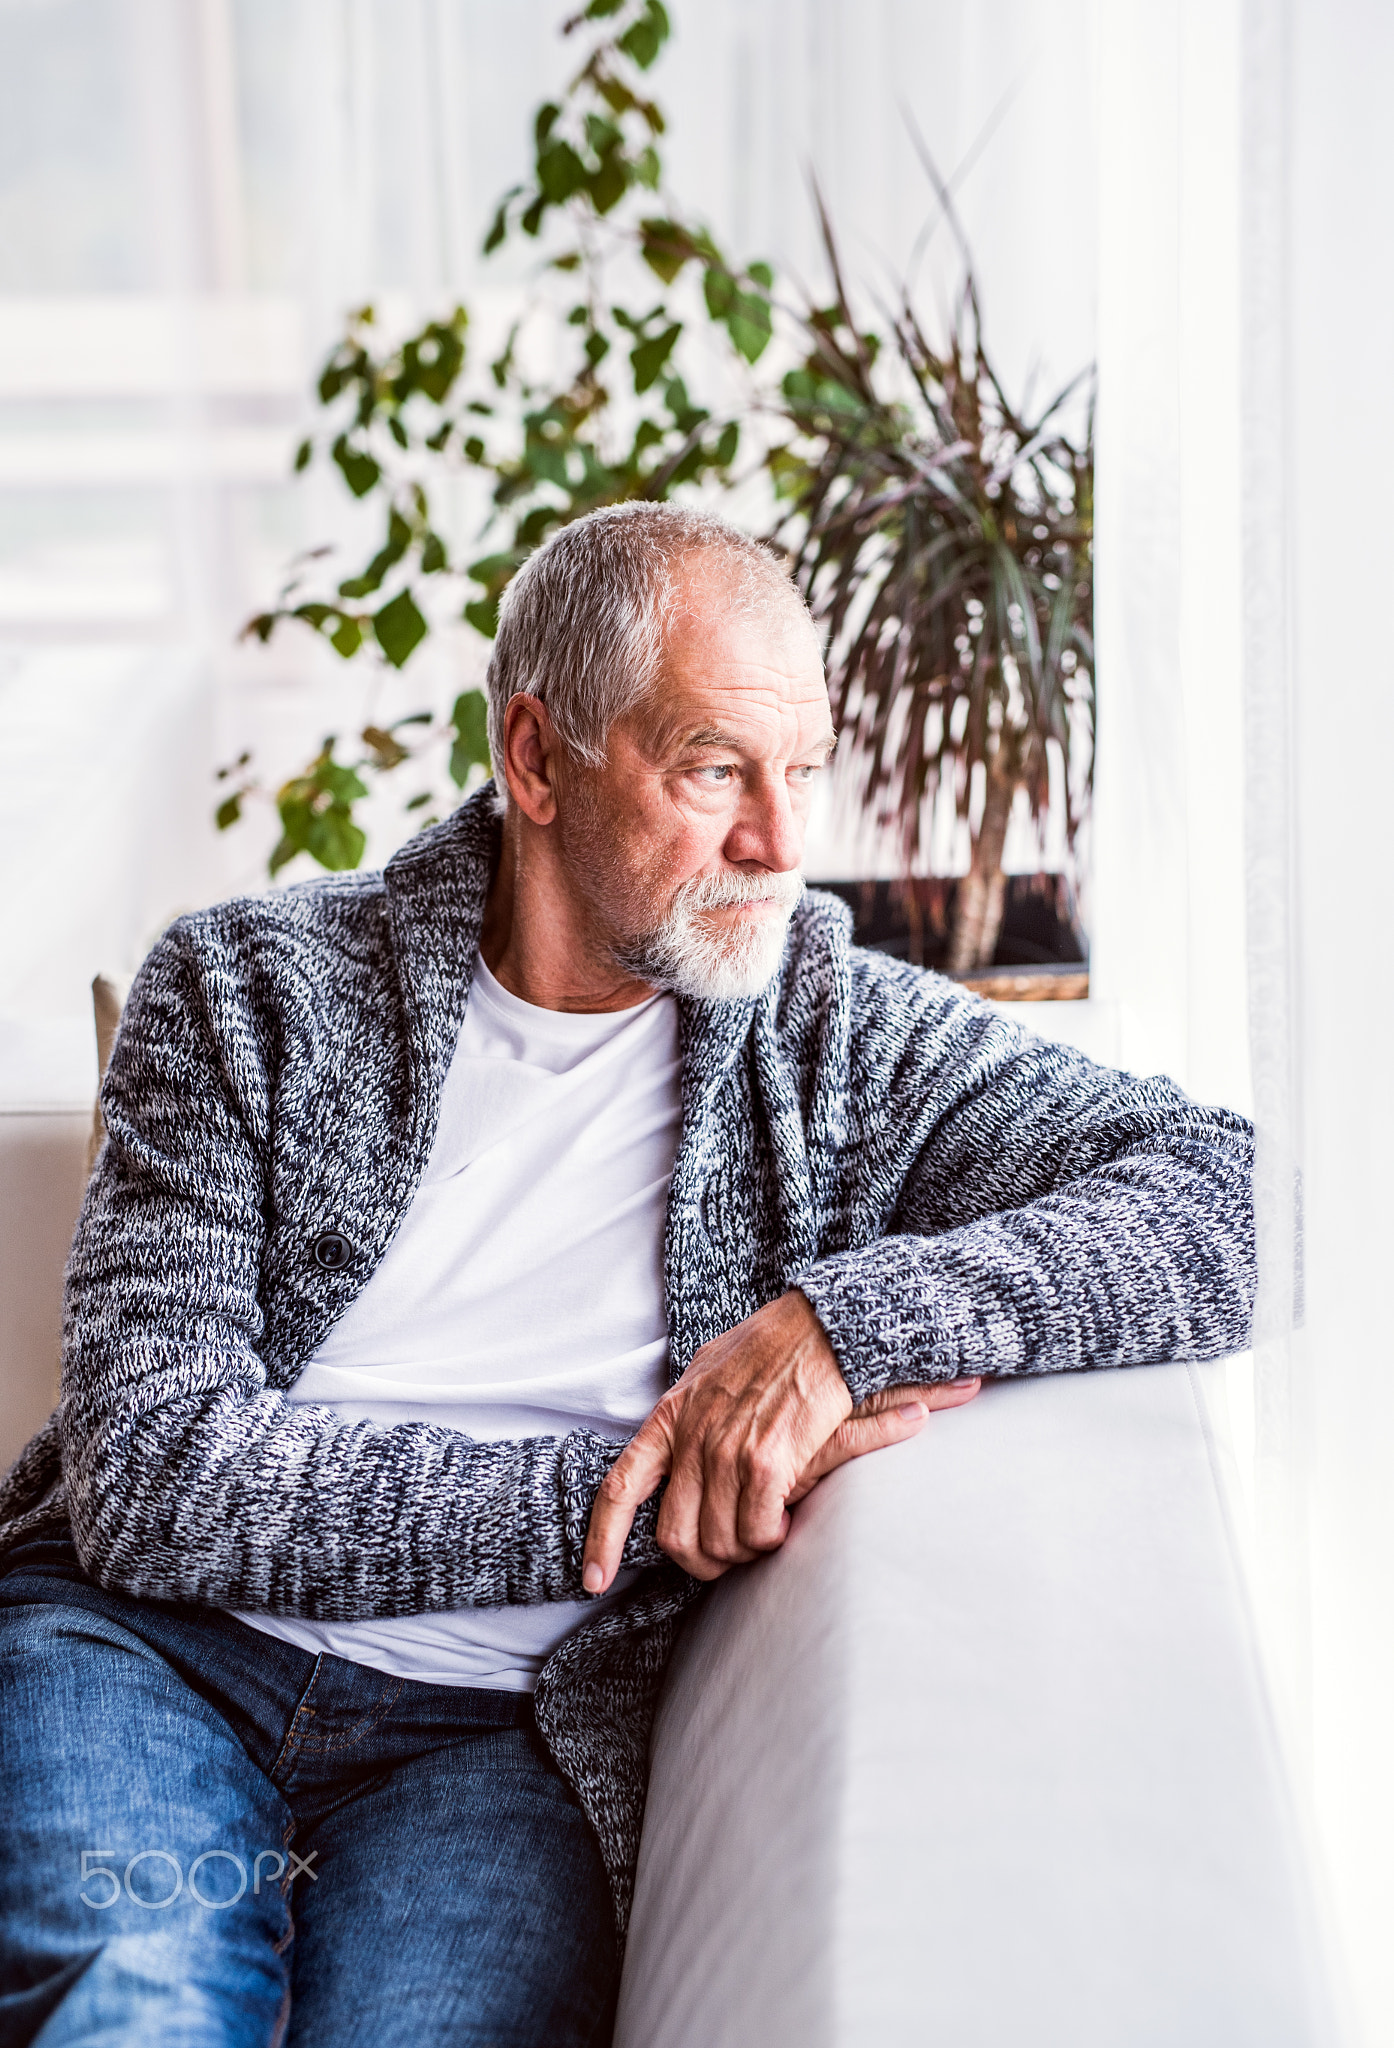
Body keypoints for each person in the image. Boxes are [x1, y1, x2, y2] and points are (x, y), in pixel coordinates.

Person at [0, 502, 1255, 2047]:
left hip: (494, 1738)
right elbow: (155, 1483)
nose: (782, 849)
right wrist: (639, 1503)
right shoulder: (243, 990)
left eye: (800, 773)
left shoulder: (833, 1040)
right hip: (148, 1661)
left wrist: (831, 1334)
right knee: (135, 2011)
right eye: (715, 769)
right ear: (537, 760)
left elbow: (1236, 1194)